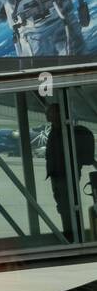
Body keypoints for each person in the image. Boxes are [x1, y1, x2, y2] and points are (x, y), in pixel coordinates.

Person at [45, 103, 94, 242]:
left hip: (65, 176)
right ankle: (70, 233)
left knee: (68, 207)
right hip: (57, 176)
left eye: (51, 112)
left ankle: (72, 234)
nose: (47, 115)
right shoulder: (55, 132)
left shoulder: (66, 133)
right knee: (63, 206)